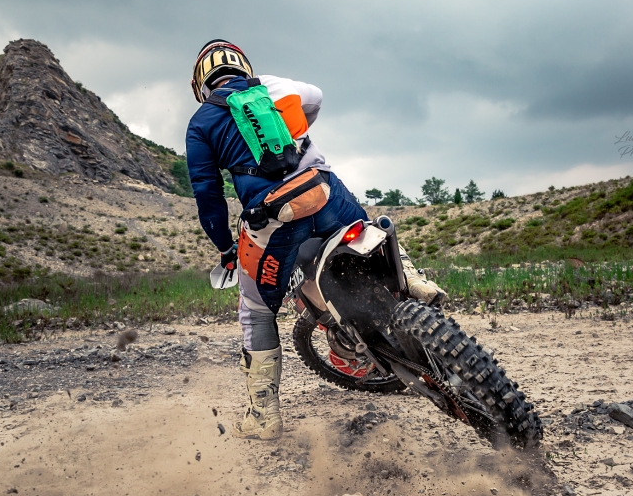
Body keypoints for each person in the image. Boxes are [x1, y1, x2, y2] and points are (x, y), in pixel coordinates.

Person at [184, 39, 444, 440]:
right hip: (322, 193)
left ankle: (264, 415)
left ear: (202, 83)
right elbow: (316, 98)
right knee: (371, 228)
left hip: (274, 217)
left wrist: (224, 248)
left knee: (255, 310)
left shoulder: (202, 121)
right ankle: (412, 279)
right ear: (242, 65)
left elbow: (208, 195)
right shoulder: (268, 86)